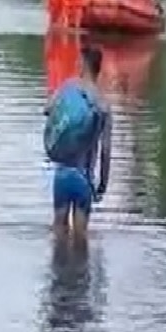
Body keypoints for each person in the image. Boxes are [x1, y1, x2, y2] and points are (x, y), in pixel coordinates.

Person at [45, 45, 112, 238]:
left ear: (83, 64)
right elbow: (105, 150)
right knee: (80, 237)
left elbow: (47, 110)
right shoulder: (103, 104)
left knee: (58, 232)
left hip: (62, 174)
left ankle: (58, 258)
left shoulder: (68, 87)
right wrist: (102, 185)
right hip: (84, 178)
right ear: (99, 68)